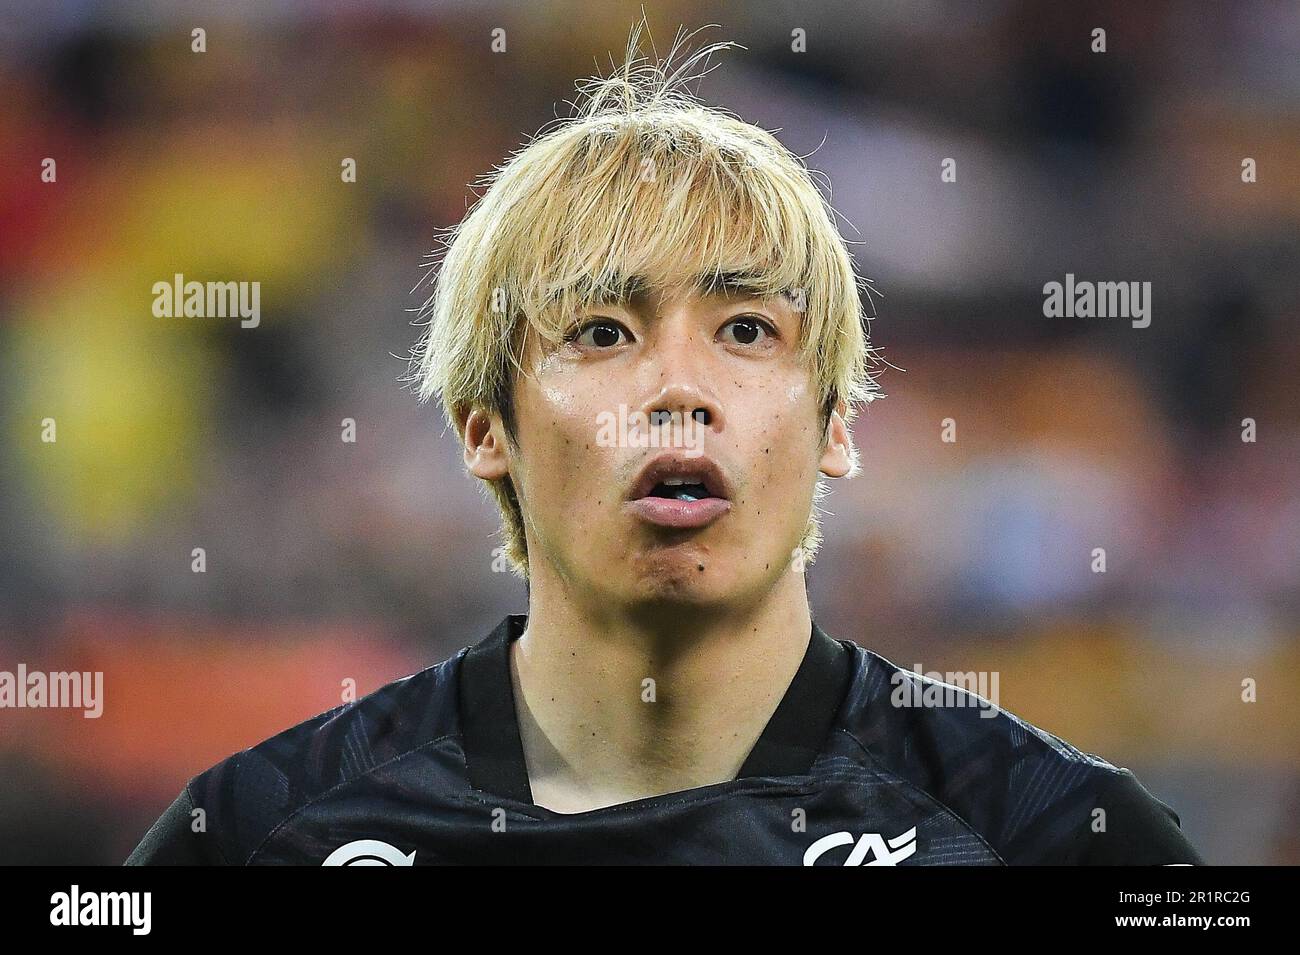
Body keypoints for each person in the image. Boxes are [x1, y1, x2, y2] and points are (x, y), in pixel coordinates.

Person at [126, 31, 1202, 865]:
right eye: (600, 332)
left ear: (835, 422)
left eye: (746, 330)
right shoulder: (267, 832)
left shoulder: (1053, 835)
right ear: (483, 429)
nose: (678, 388)